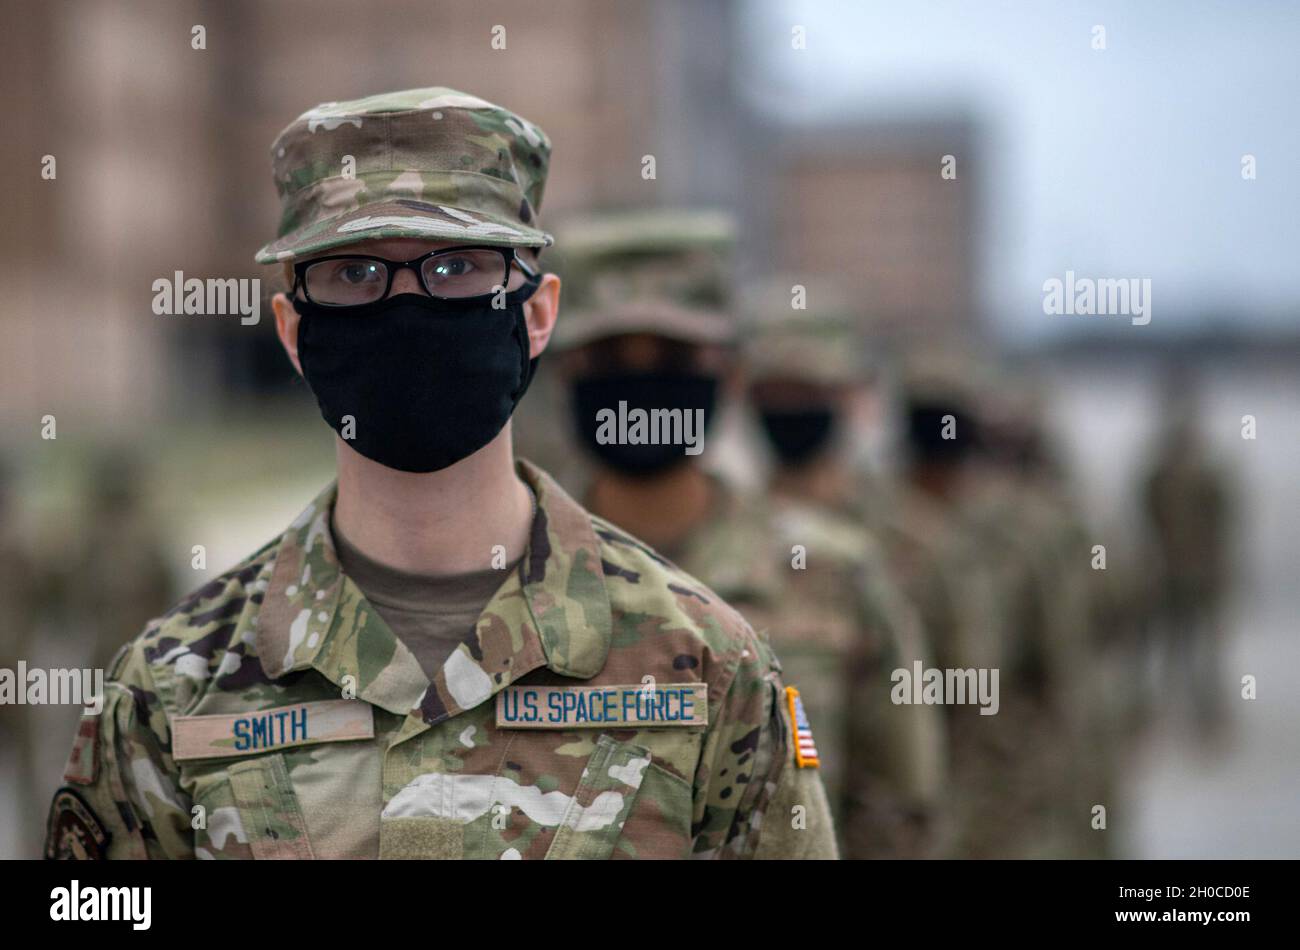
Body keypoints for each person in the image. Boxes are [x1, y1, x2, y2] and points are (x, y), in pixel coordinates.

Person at [44, 88, 836, 860]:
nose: (407, 307)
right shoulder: (168, 693)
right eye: (353, 274)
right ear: (292, 330)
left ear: (537, 314)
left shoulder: (711, 669)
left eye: (457, 268)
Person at [549, 212, 940, 857]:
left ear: (729, 374)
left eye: (674, 358)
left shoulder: (835, 573)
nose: (641, 383)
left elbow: (901, 816)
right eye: (611, 358)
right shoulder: (499, 574)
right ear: (564, 371)